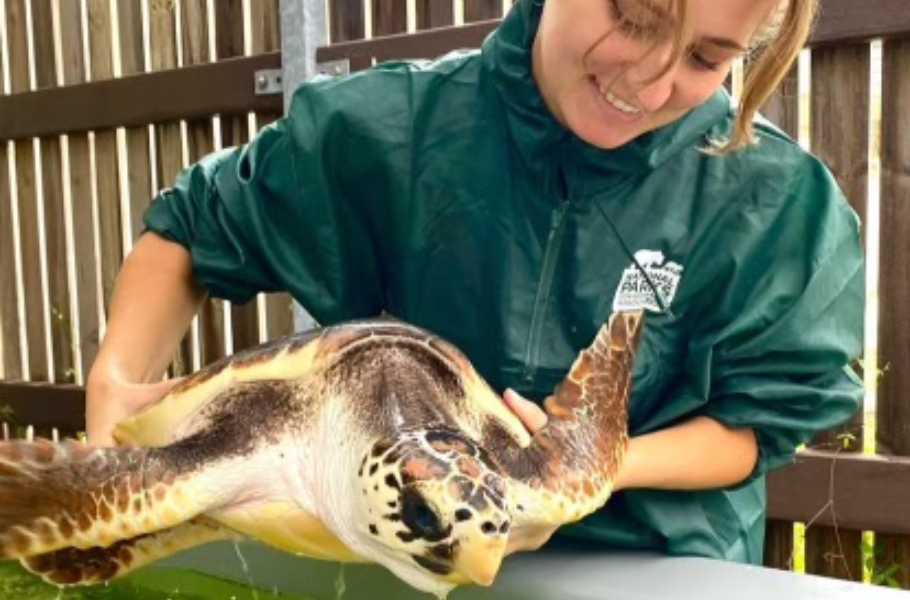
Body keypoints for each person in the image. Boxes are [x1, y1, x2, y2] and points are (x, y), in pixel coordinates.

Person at [86, 0, 864, 566]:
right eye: (632, 16)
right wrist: (116, 383)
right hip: (409, 553)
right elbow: (191, 228)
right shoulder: (395, 129)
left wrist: (591, 466)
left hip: (660, 570)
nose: (653, 82)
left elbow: (757, 423)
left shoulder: (772, 201)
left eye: (705, 58)